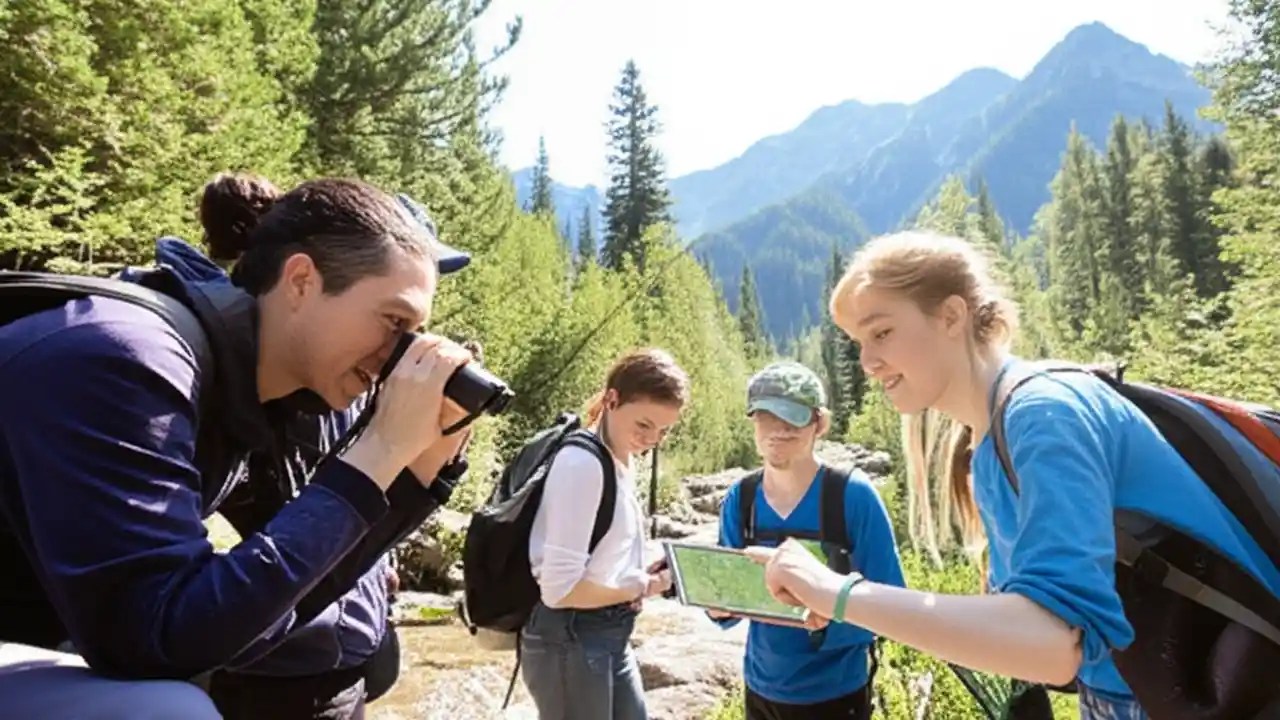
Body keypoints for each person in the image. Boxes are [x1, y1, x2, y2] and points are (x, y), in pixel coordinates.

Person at [0, 173, 480, 719]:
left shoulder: (255, 398)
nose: (400, 358)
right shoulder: (126, 361)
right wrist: (378, 451)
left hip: (37, 642)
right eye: (394, 323)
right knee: (166, 711)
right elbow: (158, 642)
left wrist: (416, 474)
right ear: (300, 281)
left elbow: (253, 622)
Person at [744, 231, 1280, 719]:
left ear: (951, 316)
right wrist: (839, 600)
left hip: (1209, 691)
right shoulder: (991, 435)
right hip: (1151, 689)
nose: (867, 361)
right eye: (858, 344)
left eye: (881, 332)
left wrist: (838, 593)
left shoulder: (1042, 417)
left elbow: (1050, 645)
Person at [191, 177, 473, 720]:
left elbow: (348, 506)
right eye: (394, 320)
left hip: (341, 662)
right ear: (307, 279)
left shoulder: (348, 376)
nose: (403, 347)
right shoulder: (280, 386)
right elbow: (286, 527)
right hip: (273, 670)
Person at [711, 361, 904, 720]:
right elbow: (729, 595)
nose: (778, 429)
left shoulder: (853, 495)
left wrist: (830, 611)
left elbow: (893, 599)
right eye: (766, 417)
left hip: (836, 694)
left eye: (792, 418)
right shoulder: (742, 498)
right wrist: (717, 605)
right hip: (760, 689)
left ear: (820, 423)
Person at [520, 348, 689, 720]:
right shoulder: (582, 464)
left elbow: (600, 553)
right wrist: (642, 586)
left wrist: (642, 569)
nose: (652, 439)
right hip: (569, 640)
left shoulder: (619, 457)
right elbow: (559, 590)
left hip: (605, 634)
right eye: (643, 425)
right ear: (612, 399)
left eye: (663, 430)